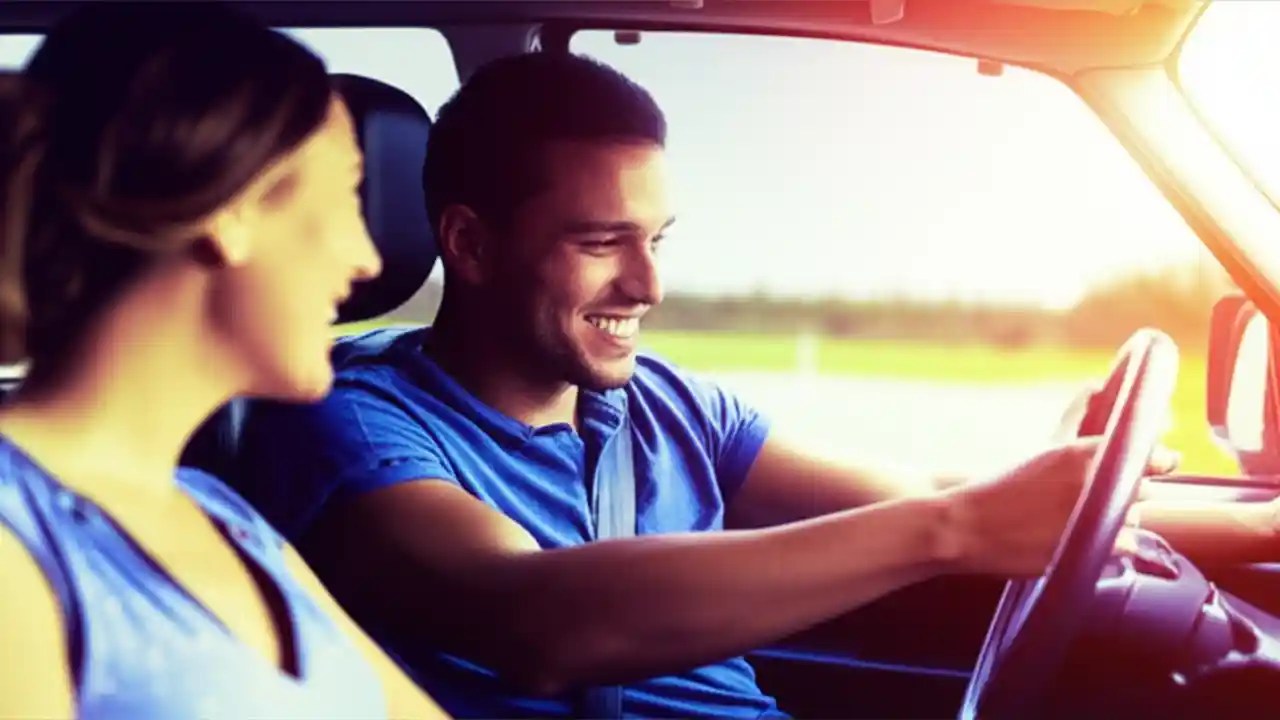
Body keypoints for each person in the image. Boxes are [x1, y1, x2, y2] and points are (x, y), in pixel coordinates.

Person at [235, 52, 1232, 718]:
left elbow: (928, 497)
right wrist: (960, 529)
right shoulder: (351, 421)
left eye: (656, 241)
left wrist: (1106, 493)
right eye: (600, 244)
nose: (648, 286)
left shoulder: (665, 404)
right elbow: (534, 619)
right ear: (469, 243)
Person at [0, 4, 448, 718]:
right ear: (234, 211)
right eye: (346, 196)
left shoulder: (225, 516)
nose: (366, 259)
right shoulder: (15, 535)